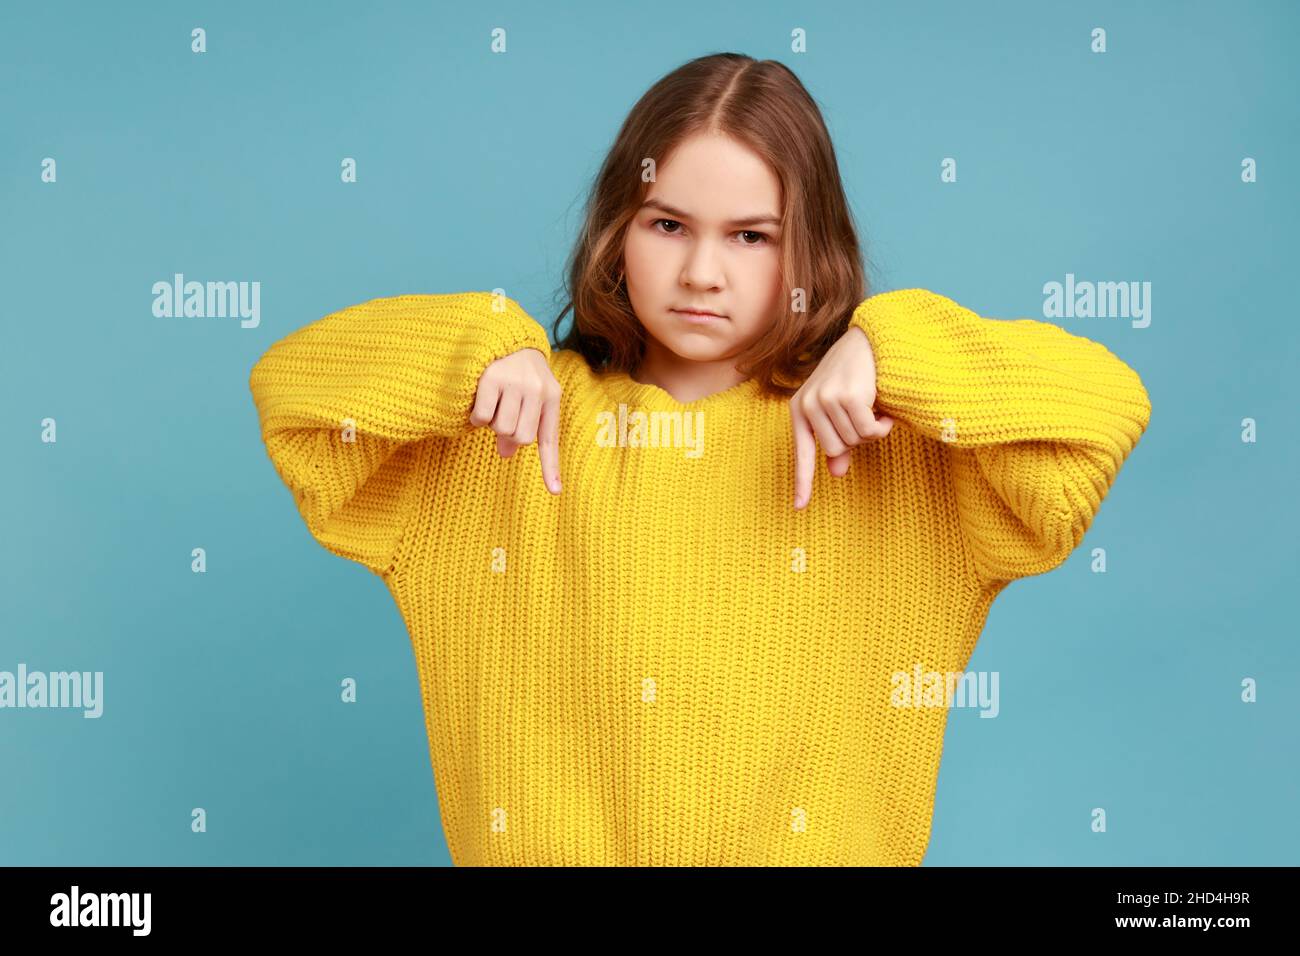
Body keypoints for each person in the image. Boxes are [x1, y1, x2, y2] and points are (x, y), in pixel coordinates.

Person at [248, 53, 1151, 866]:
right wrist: (479, 346)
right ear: (616, 229)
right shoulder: (508, 435)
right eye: (669, 225)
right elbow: (293, 399)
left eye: (751, 235)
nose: (702, 273)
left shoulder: (887, 448)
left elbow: (1102, 411)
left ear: (809, 248)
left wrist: (896, 345)